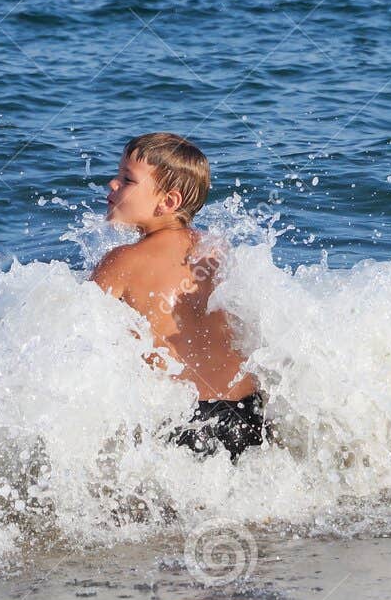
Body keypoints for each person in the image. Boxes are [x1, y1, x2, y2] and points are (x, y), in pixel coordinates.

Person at [90, 133, 264, 460]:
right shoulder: (215, 249)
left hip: (188, 424)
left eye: (127, 179)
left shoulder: (121, 261)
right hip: (248, 410)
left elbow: (78, 334)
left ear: (168, 202)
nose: (113, 184)